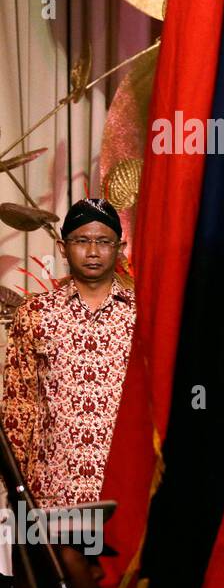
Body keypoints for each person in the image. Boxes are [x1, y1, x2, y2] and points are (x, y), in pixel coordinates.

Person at [2, 199, 135, 507]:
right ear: (63, 247)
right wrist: (13, 491)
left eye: (103, 242)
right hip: (51, 491)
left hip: (124, 488)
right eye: (82, 241)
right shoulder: (35, 313)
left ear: (119, 246)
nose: (92, 251)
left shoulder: (142, 314)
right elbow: (18, 408)